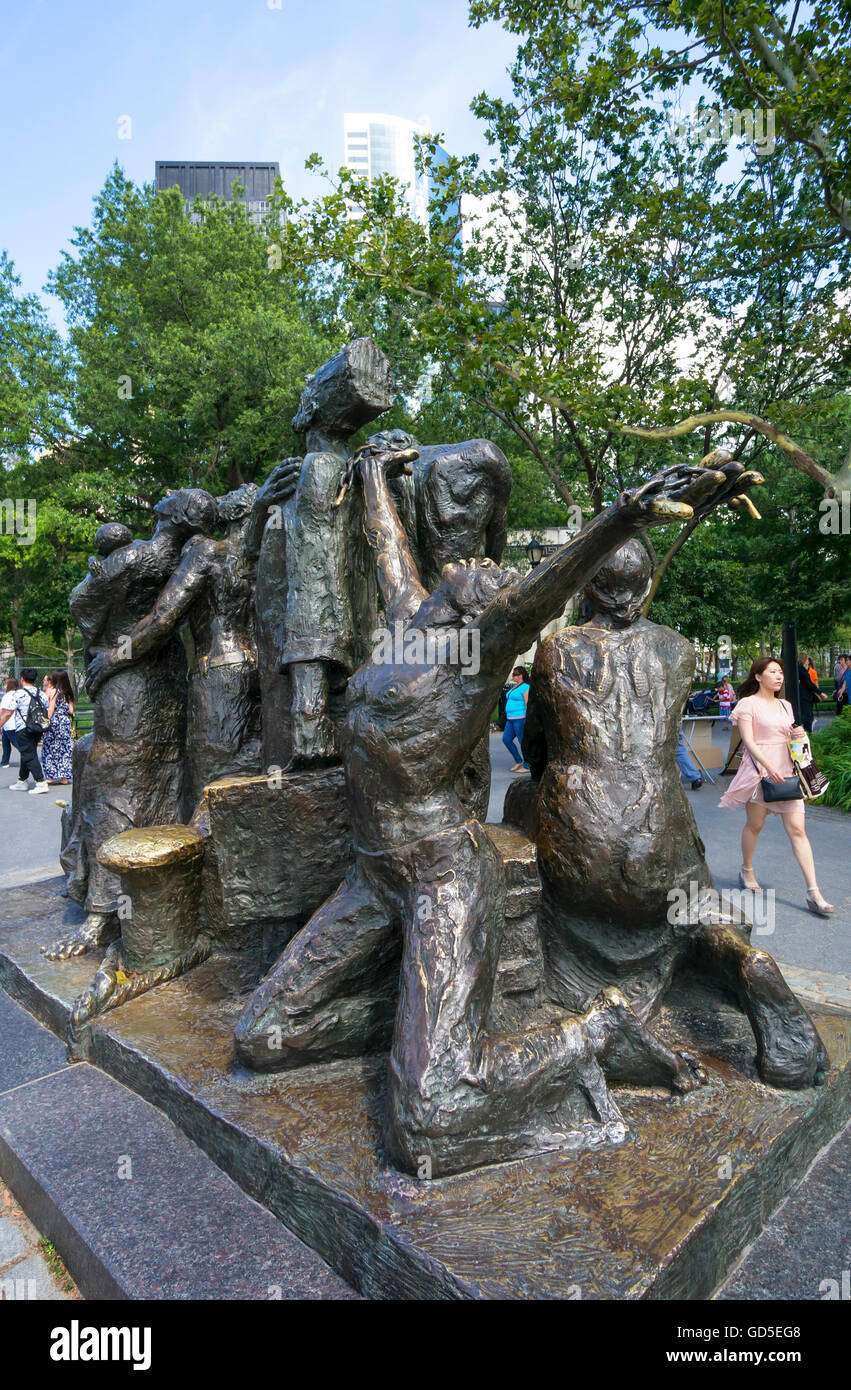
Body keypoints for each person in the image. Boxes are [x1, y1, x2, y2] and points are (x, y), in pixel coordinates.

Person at [235, 449, 761, 1174]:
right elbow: (387, 549)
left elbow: (545, 590)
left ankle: (590, 1033)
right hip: (371, 875)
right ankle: (426, 1034)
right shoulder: (407, 619)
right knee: (263, 1034)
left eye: (498, 572)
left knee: (427, 1116)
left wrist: (620, 517)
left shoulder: (476, 650)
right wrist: (371, 479)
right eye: (485, 563)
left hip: (439, 877)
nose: (485, 560)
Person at [719, 657, 833, 915]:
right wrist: (768, 768)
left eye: (780, 672)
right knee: (755, 825)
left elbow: (789, 737)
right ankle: (747, 869)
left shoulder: (785, 705)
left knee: (798, 831)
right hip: (760, 773)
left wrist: (799, 736)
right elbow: (748, 741)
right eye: (772, 672)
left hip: (788, 772)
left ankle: (814, 892)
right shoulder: (748, 704)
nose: (779, 676)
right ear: (758, 677)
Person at [0, 668, 48, 793]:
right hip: (37, 728)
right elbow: (46, 711)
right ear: (35, 679)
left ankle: (41, 782)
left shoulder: (18, 694)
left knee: (29, 755)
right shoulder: (41, 693)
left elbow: (8, 713)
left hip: (23, 729)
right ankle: (22, 781)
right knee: (27, 753)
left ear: (22, 679)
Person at [40, 670, 75, 784]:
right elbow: (71, 710)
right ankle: (64, 778)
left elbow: (51, 709)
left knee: (49, 748)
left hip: (55, 722)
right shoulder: (68, 692)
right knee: (65, 749)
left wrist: (45, 724)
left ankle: (52, 776)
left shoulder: (54, 691)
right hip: (65, 723)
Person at [502, 665, 530, 771]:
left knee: (523, 742)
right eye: (513, 674)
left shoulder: (526, 687)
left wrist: (527, 719)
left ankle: (528, 765)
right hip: (510, 719)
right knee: (506, 740)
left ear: (521, 675)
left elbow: (527, 703)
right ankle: (518, 761)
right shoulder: (515, 687)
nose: (513, 676)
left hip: (520, 718)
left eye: (515, 674)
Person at [798, 657, 825, 734]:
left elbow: (813, 683)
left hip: (807, 695)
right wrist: (819, 692)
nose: (808, 661)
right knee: (808, 716)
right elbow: (809, 683)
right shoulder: (802, 670)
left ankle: (807, 731)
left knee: (808, 715)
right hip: (805, 696)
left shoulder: (806, 670)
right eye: (806, 659)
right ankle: (808, 732)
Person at [0, 678, 21, 768]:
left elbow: (3, 710)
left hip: (8, 723)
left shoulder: (7, 695)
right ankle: (4, 762)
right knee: (5, 743)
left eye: (6, 684)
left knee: (17, 744)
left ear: (9, 685)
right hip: (13, 723)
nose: (5, 685)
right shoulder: (18, 694)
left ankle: (29, 759)